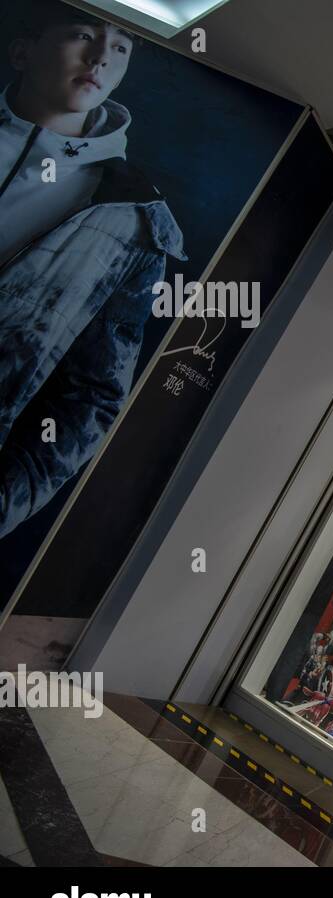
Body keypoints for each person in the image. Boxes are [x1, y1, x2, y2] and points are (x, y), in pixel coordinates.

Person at [0, 6, 185, 539]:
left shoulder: (132, 219)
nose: (101, 57)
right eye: (84, 33)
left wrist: (7, 500)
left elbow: (91, 397)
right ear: (23, 52)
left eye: (121, 47)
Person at [265, 501, 333, 701]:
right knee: (304, 651)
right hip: (332, 606)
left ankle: (274, 694)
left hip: (315, 598)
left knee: (292, 649)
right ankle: (281, 693)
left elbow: (325, 567)